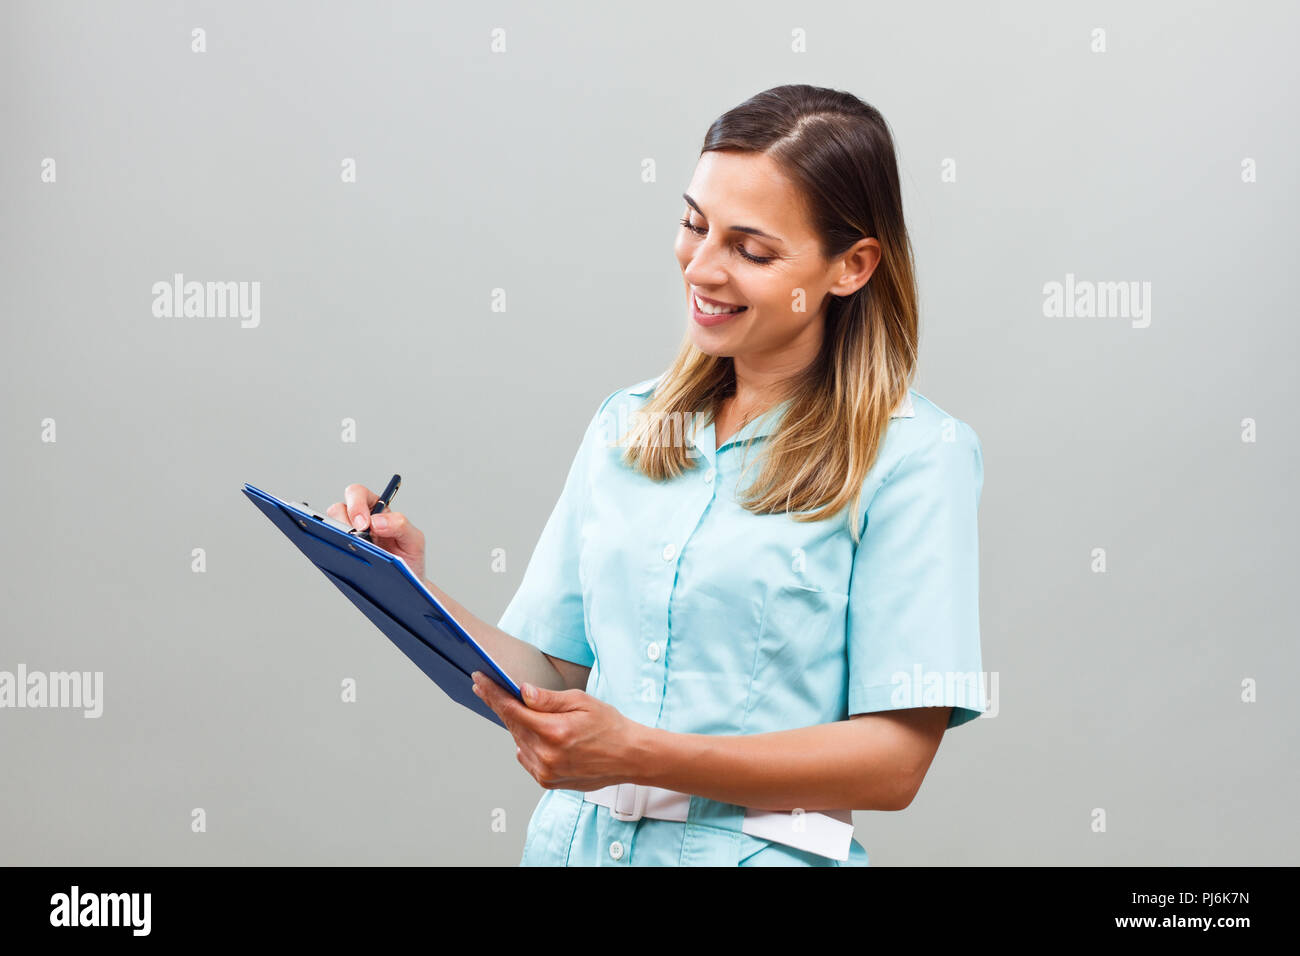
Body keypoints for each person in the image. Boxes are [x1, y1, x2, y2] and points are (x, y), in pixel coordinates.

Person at [329, 84, 988, 867]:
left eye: (751, 249)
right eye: (693, 224)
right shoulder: (628, 426)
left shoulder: (914, 456)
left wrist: (640, 755)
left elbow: (895, 762)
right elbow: (555, 676)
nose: (701, 268)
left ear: (851, 266)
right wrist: (411, 589)